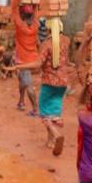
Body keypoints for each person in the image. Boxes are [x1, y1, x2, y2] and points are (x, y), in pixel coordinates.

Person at [37, 19, 73, 156]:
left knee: (45, 112)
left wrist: (20, 66)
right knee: (54, 111)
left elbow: (38, 63)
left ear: (49, 30)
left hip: (49, 82)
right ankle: (50, 141)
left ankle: (56, 134)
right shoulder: (67, 41)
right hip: (63, 82)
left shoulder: (46, 44)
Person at [11, 0, 40, 114]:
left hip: (23, 60)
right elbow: (36, 11)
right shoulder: (35, 25)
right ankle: (21, 101)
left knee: (28, 84)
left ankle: (35, 109)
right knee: (21, 80)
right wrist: (34, 2)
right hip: (32, 58)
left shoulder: (20, 26)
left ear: (22, 15)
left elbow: (13, 9)